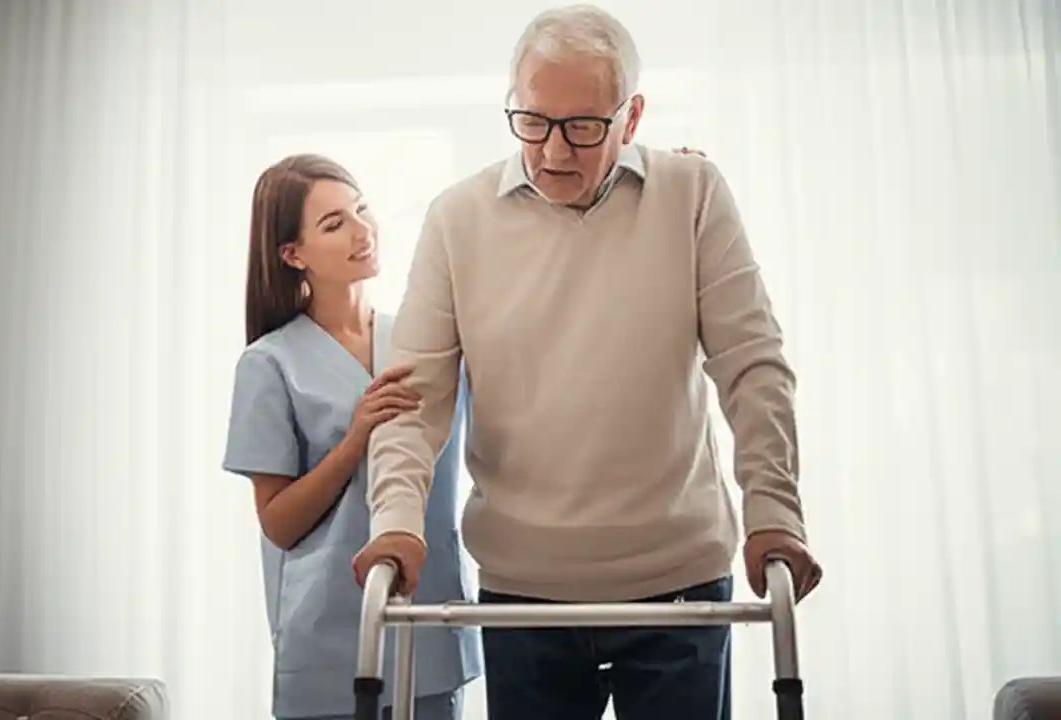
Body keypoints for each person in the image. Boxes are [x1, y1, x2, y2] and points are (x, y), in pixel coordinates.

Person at [352, 5, 823, 720]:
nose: (552, 152)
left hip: (677, 578)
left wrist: (775, 513)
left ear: (630, 119)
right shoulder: (457, 218)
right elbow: (413, 399)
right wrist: (395, 520)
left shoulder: (692, 196)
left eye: (583, 127)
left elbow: (752, 365)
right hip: (524, 585)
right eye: (534, 121)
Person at [221, 154, 481, 720]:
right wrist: (354, 439)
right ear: (293, 255)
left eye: (361, 210)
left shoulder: (424, 345)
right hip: (327, 639)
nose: (363, 231)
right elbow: (279, 523)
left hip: (428, 621)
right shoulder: (269, 364)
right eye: (335, 224)